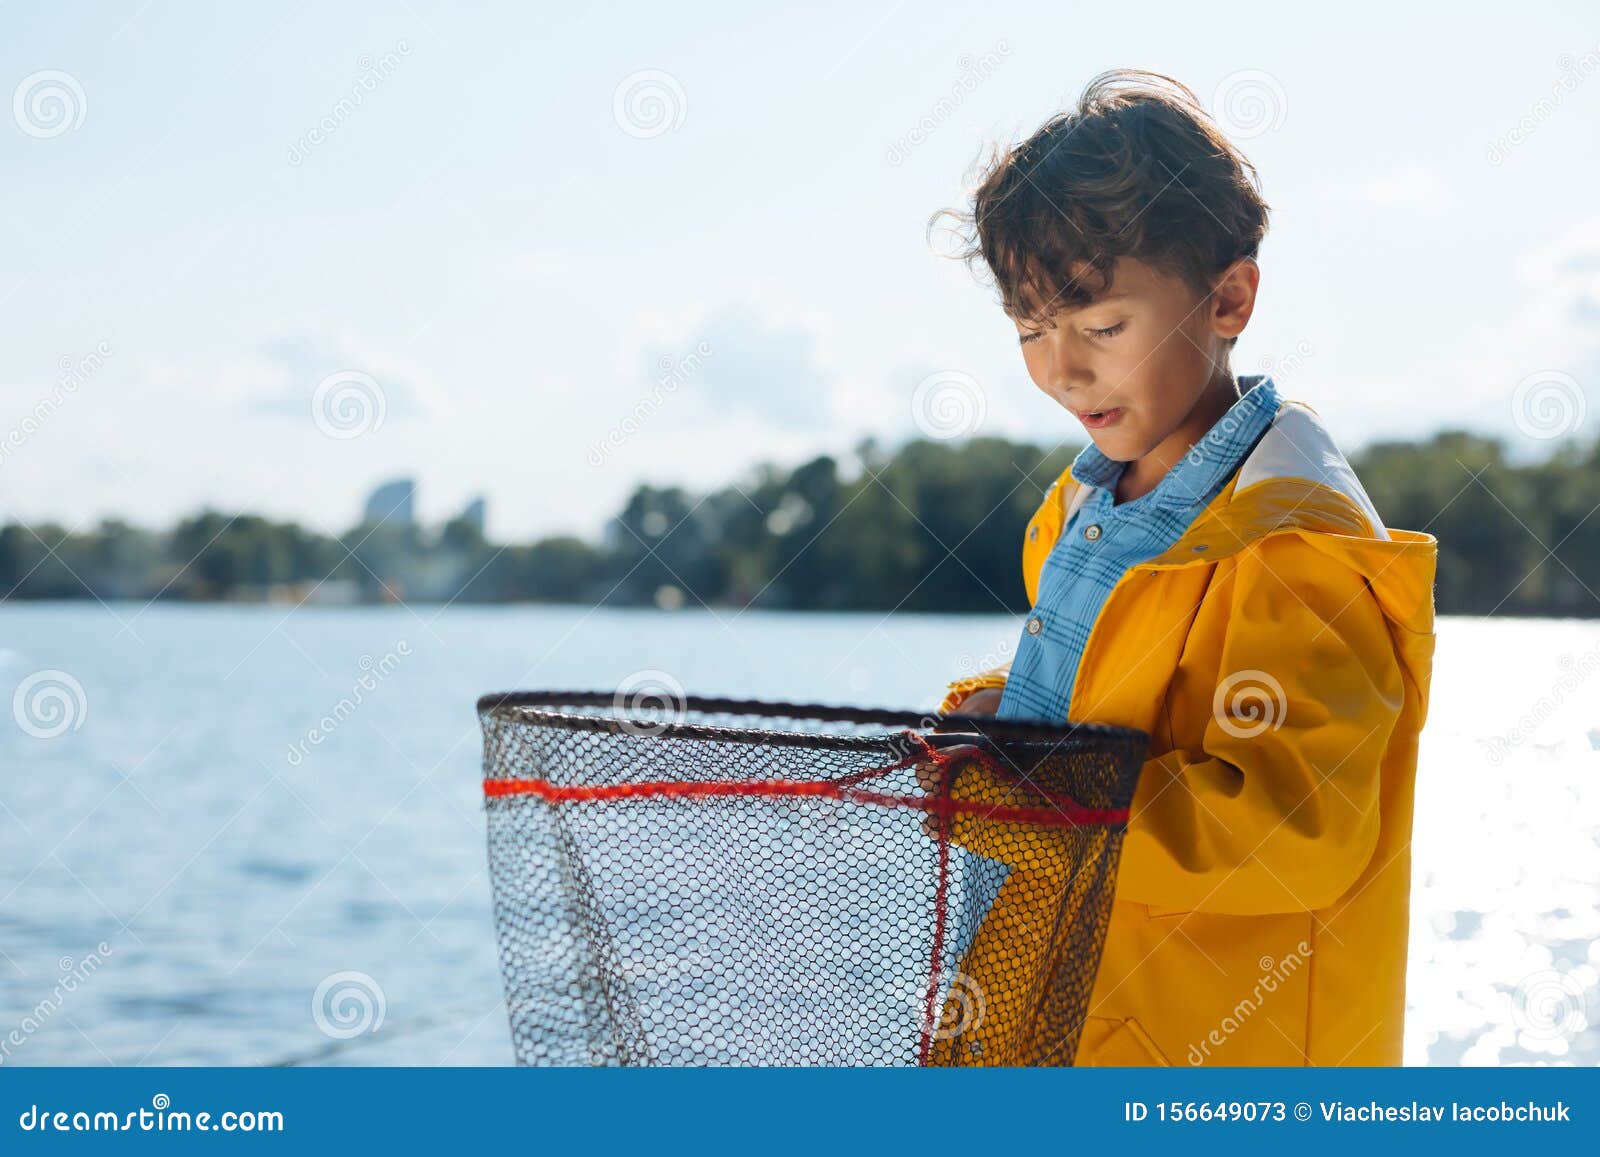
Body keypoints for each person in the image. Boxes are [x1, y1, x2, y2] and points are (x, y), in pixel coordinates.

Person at [927, 69, 1438, 1066]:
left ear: (1229, 298)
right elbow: (1122, 714)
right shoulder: (1080, 512)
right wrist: (1003, 716)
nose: (1061, 369)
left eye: (1100, 326)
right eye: (1030, 329)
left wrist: (1031, 805)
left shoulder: (1296, 547)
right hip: (1048, 1031)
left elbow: (1293, 831)